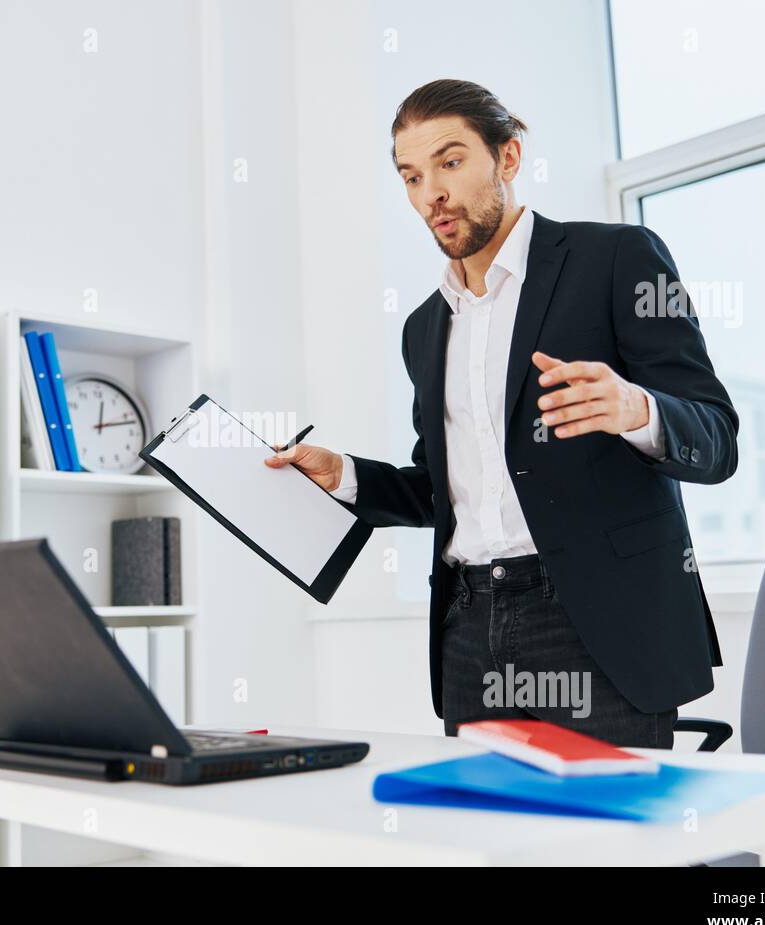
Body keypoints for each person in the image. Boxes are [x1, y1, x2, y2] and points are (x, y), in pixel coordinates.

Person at [265, 79, 738, 749]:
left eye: (450, 162)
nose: (430, 192)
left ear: (508, 158)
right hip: (469, 625)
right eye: (411, 176)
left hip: (590, 620)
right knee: (489, 843)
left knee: (600, 848)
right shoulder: (423, 329)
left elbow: (717, 437)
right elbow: (441, 488)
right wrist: (343, 475)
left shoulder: (616, 260)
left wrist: (636, 409)